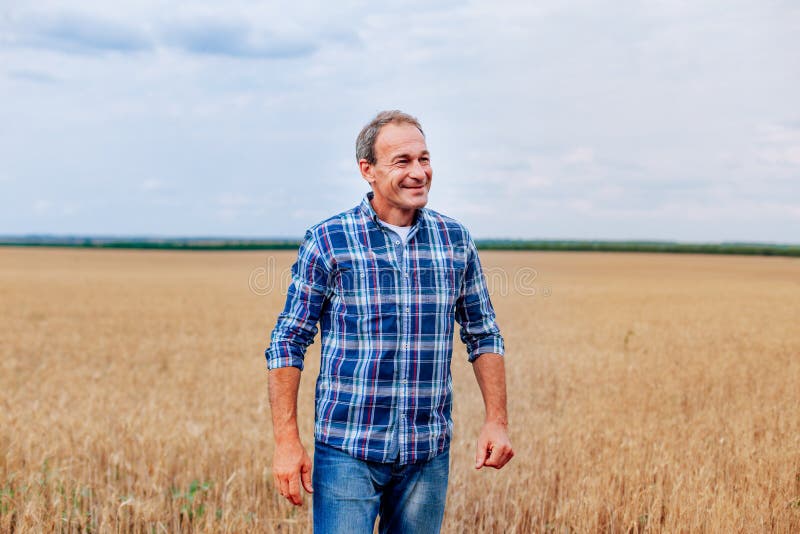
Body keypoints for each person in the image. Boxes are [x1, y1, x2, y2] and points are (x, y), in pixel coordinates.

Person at [264, 110, 513, 533]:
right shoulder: (329, 240)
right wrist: (287, 442)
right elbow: (288, 340)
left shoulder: (455, 242)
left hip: (426, 454)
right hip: (347, 451)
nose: (419, 172)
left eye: (424, 159)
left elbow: (483, 334)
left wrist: (497, 420)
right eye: (402, 161)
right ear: (368, 170)